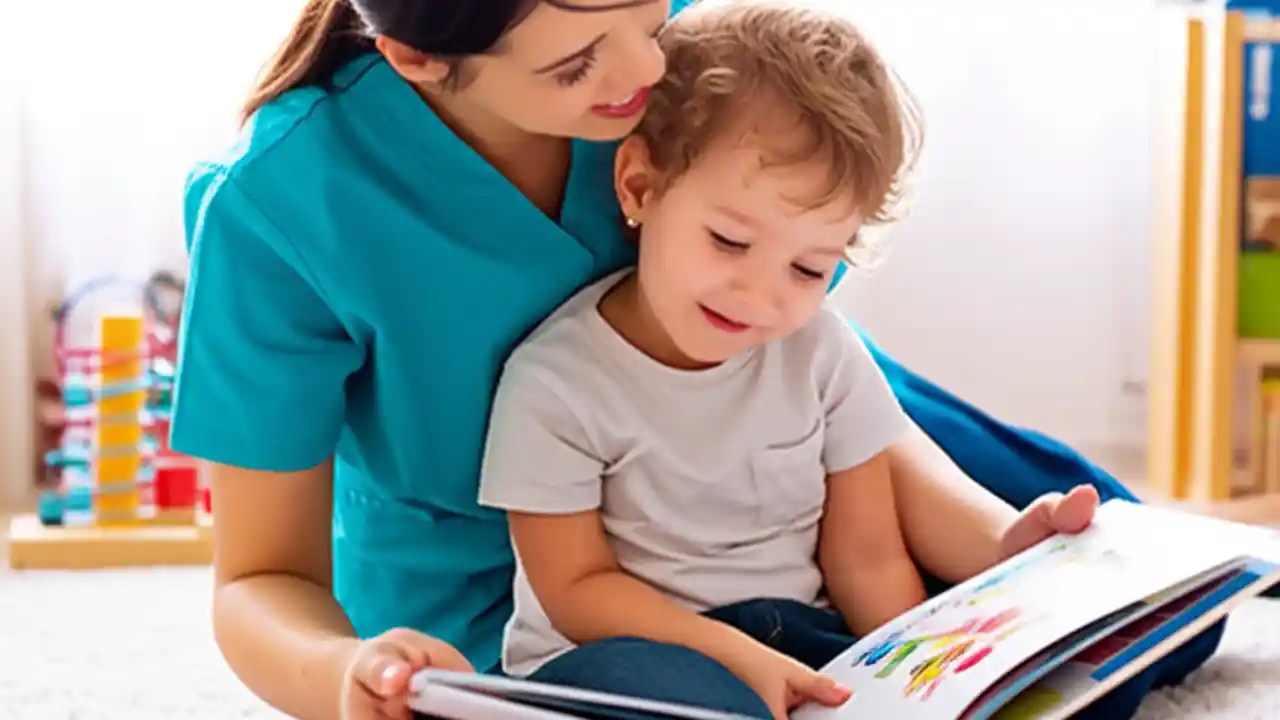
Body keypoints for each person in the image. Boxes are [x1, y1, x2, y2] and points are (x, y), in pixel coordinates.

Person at [171, 0, 1223, 718]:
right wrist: (346, 670)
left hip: (789, 449)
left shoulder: (685, 62)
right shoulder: (279, 208)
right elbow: (261, 578)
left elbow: (830, 393)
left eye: (644, 7)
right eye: (577, 60)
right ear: (416, 56)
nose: (644, 67)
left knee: (1156, 633)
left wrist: (996, 557)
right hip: (531, 580)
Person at [475, 6, 1099, 719]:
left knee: (1081, 684)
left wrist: (919, 686)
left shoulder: (823, 352)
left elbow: (864, 558)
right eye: (730, 242)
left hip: (797, 631)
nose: (761, 296)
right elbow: (576, 590)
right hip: (627, 649)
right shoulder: (555, 381)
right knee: (687, 705)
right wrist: (734, 655)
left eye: (807, 268)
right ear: (641, 188)